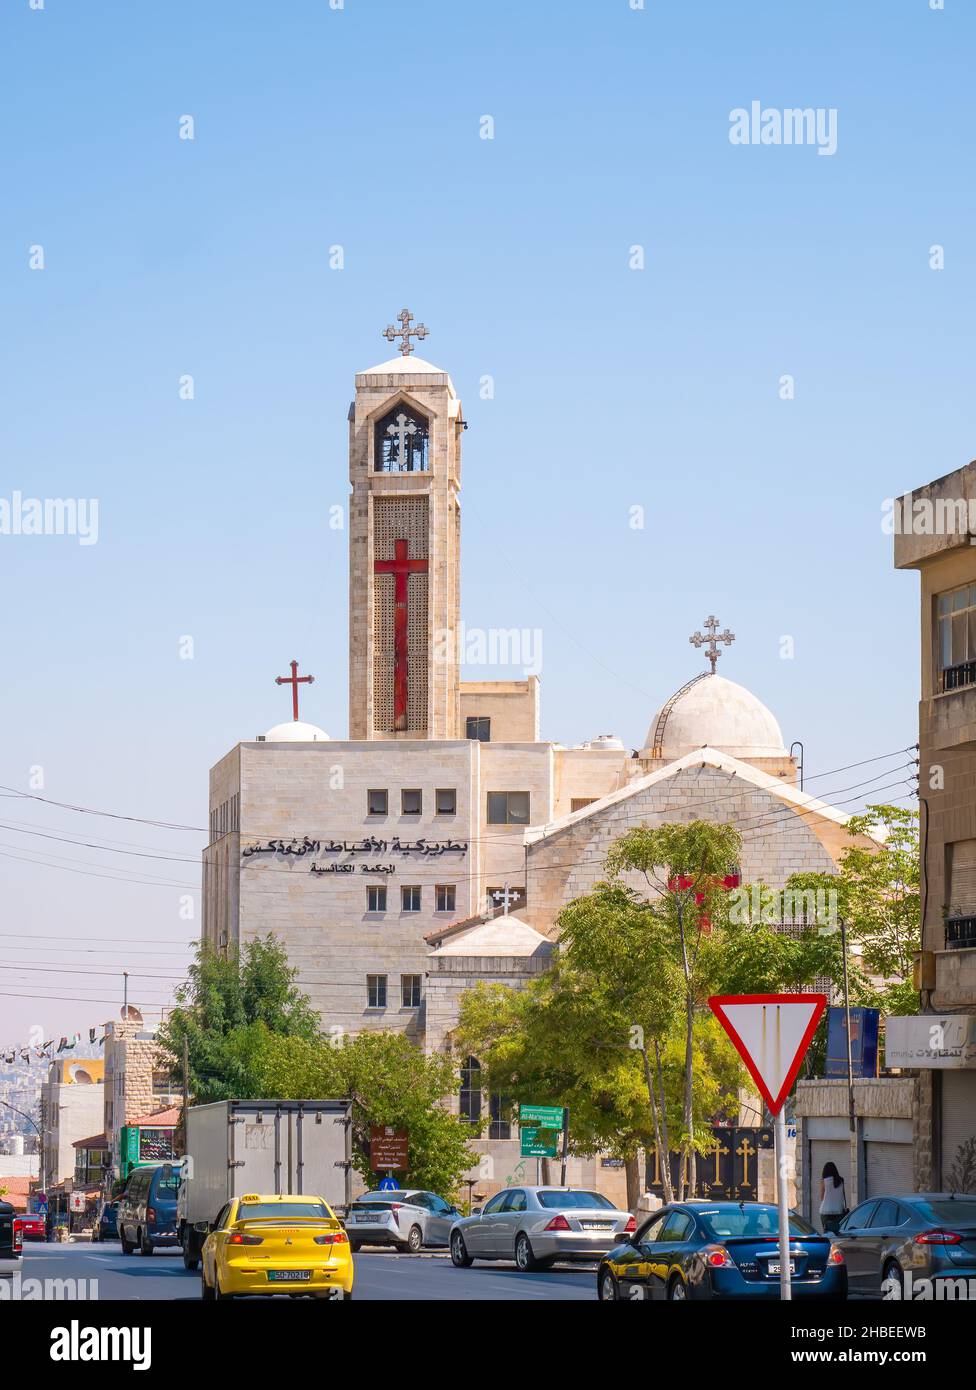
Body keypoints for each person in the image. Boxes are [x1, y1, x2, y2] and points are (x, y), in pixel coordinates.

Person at [819, 1161, 848, 1233]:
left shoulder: (824, 1181)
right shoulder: (841, 1180)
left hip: (825, 1212)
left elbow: (821, 1197)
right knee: (838, 1233)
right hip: (839, 1211)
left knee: (827, 1234)